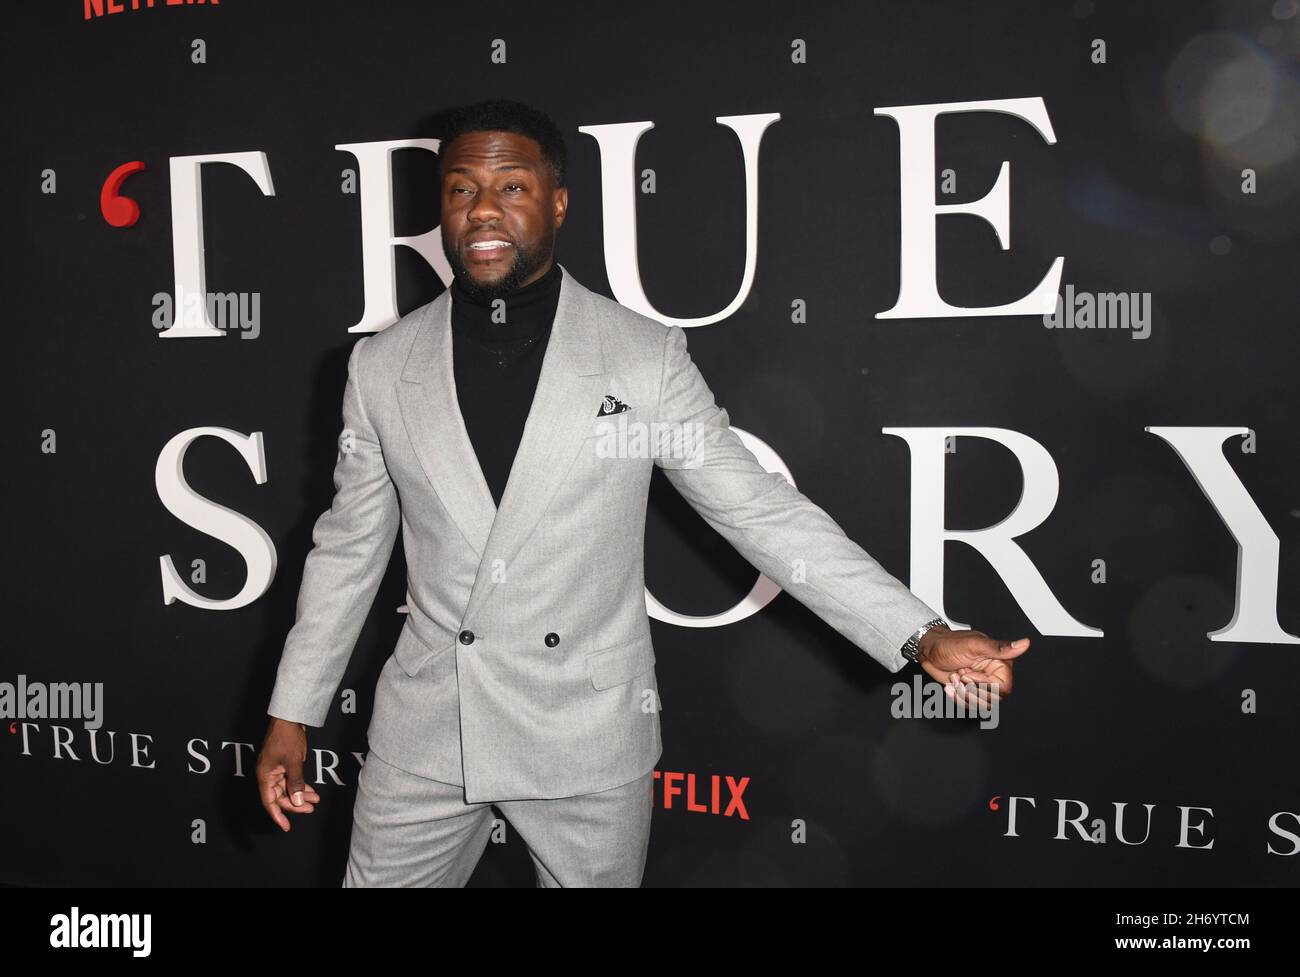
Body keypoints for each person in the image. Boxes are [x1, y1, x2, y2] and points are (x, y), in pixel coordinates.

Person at [254, 98, 1031, 887]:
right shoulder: (382, 366)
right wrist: (293, 712)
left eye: (512, 187)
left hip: (587, 735)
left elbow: (756, 509)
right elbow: (348, 548)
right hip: (427, 731)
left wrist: (917, 633)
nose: (482, 209)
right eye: (460, 189)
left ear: (557, 202)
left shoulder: (640, 358)